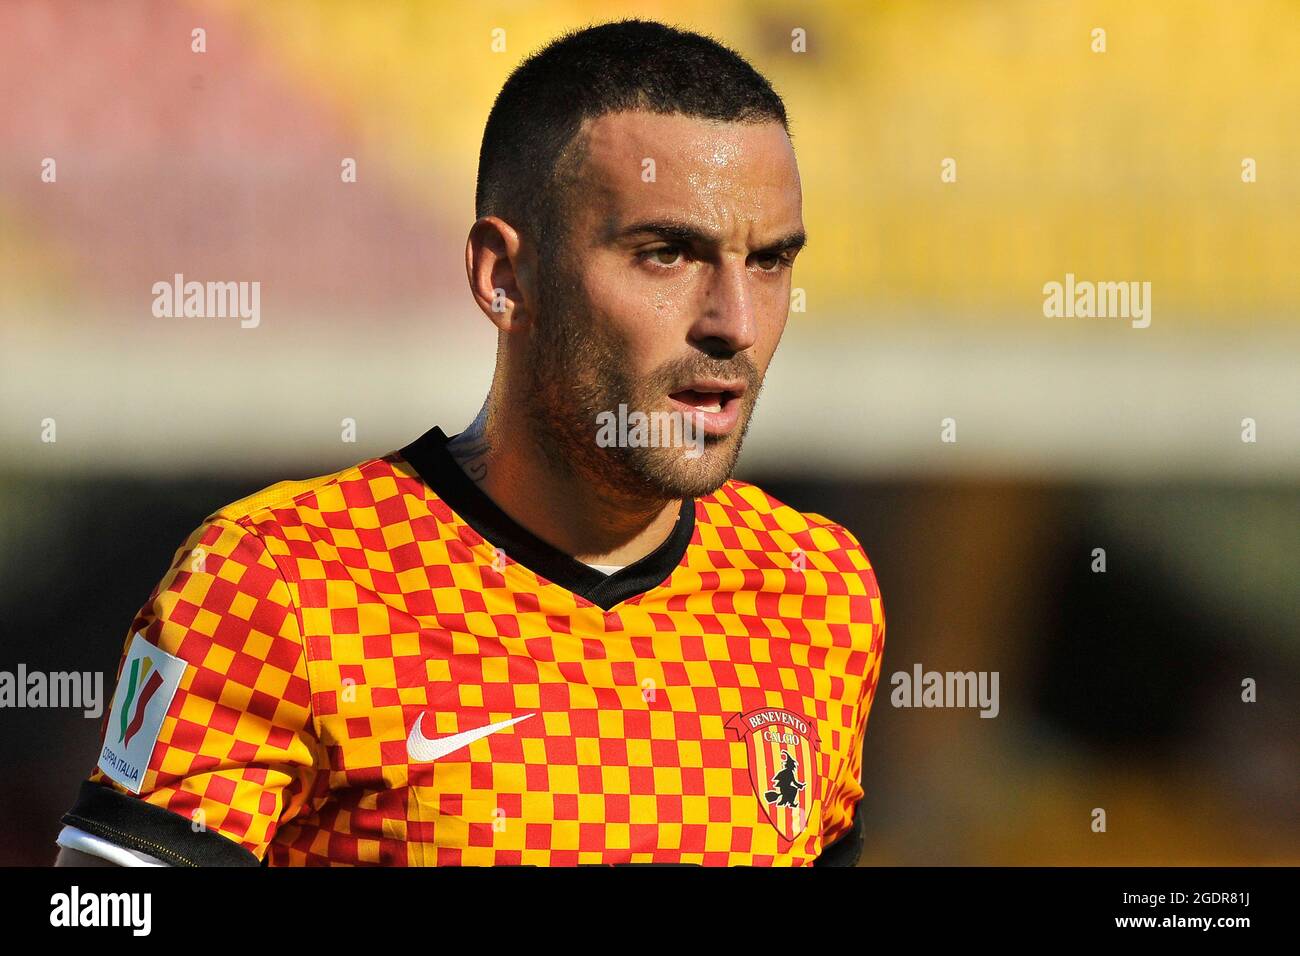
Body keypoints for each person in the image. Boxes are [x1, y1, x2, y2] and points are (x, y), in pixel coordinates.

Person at [55, 17, 885, 867]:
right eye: (668, 254)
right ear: (505, 276)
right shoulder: (278, 583)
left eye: (772, 262)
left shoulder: (815, 589)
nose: (736, 325)